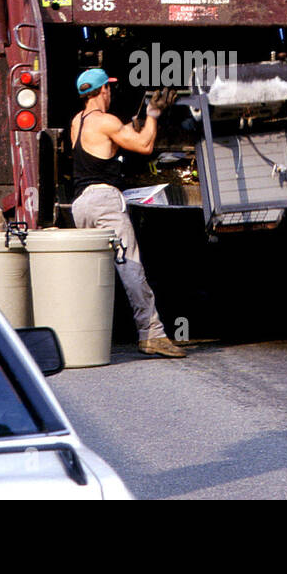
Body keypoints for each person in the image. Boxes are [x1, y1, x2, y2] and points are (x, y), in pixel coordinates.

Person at [69, 68, 186, 358]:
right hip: (105, 202)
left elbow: (111, 143)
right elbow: (144, 145)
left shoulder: (78, 121)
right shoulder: (106, 121)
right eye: (109, 88)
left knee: (92, 272)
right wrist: (154, 114)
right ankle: (152, 335)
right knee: (130, 267)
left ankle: (85, 337)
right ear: (103, 91)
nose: (111, 92)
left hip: (81, 203)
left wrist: (134, 122)